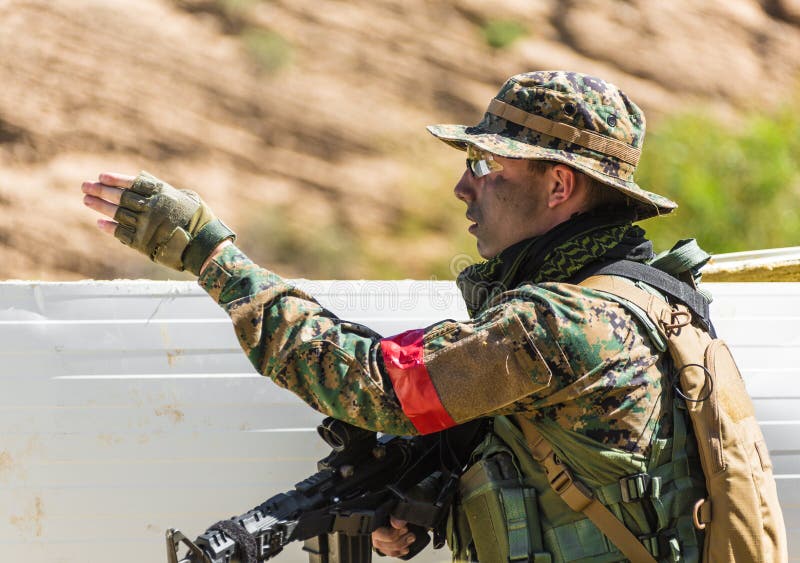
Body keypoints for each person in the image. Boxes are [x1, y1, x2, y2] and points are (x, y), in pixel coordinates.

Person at [81, 71, 710, 561]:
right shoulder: (653, 299)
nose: (465, 187)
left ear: (559, 186)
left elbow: (377, 383)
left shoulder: (563, 324)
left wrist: (208, 255)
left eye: (487, 166)